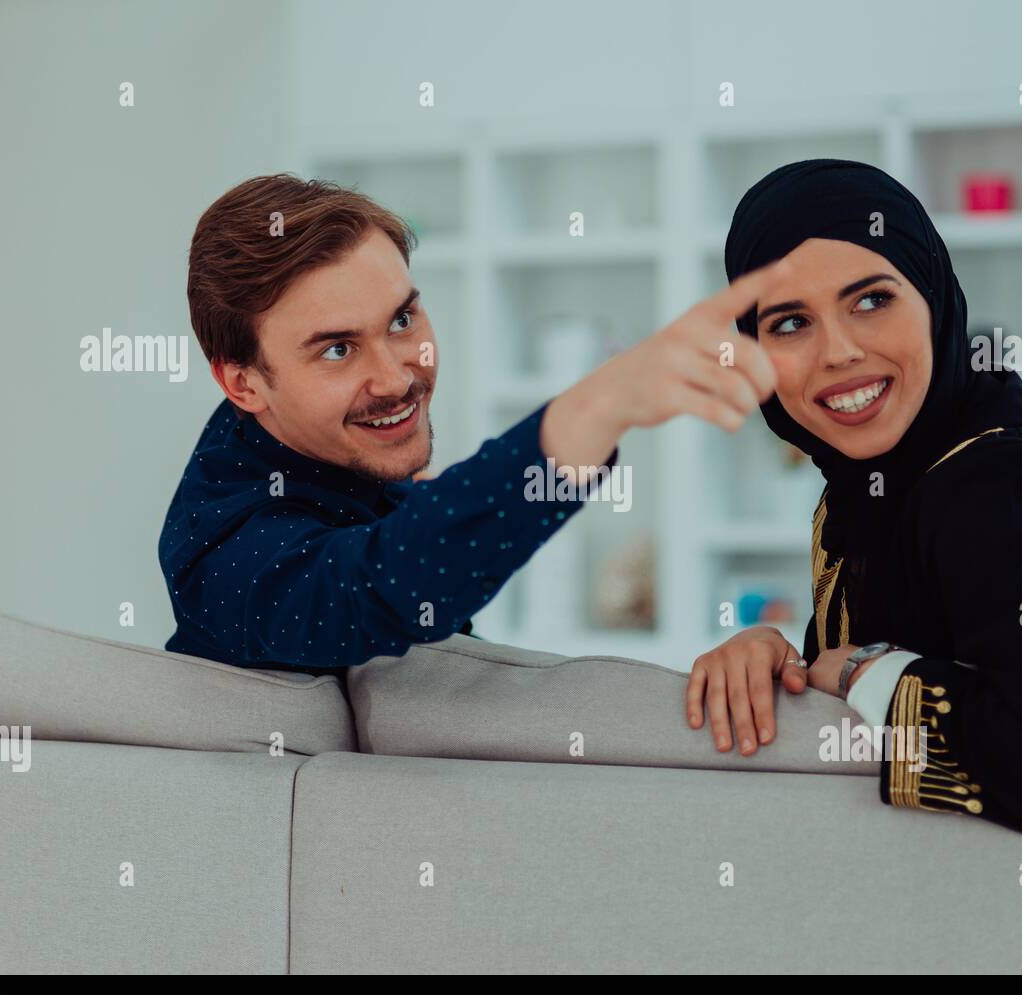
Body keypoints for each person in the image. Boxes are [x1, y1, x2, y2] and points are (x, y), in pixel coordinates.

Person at [160, 173, 790, 679]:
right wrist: (594, 408)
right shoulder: (223, 554)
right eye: (336, 350)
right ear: (242, 383)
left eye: (402, 321)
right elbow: (375, 588)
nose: (397, 377)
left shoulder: (318, 453)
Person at [685, 159, 1022, 835]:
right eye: (789, 323)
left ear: (932, 296)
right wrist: (775, 658)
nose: (839, 352)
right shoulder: (862, 500)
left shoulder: (989, 491)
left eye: (871, 299)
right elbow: (840, 679)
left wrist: (866, 675)